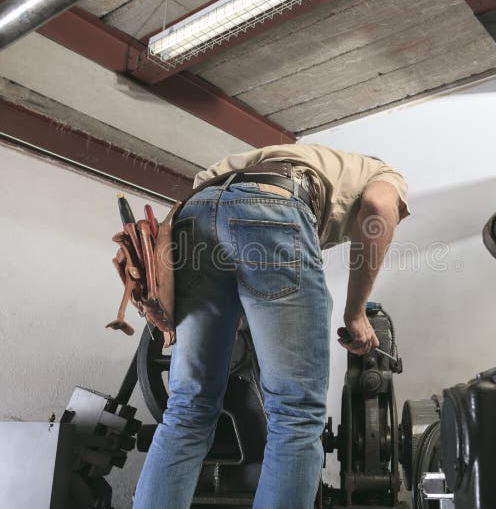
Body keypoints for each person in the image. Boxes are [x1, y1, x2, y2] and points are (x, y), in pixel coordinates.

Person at [133, 143, 410, 508]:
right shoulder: (384, 173)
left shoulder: (292, 156)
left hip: (193, 215)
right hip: (272, 207)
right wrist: (355, 313)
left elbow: (214, 204)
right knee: (295, 417)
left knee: (187, 411)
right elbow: (379, 207)